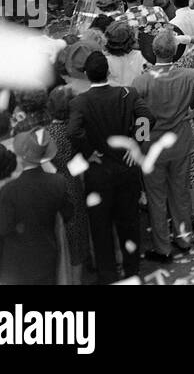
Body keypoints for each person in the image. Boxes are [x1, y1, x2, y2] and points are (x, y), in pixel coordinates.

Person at [131, 27, 194, 262]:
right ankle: (183, 238)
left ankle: (163, 247)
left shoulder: (142, 81)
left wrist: (141, 141)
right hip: (181, 142)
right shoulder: (188, 75)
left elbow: (137, 117)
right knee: (180, 194)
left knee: (156, 198)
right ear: (175, 51)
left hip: (152, 147)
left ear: (153, 51)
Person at [67, 50, 146, 283]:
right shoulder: (127, 94)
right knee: (129, 224)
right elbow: (147, 117)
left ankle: (108, 275)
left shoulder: (79, 102)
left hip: (99, 175)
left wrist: (88, 152)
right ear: (108, 71)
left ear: (86, 75)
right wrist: (137, 142)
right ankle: (132, 271)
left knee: (100, 229)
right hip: (126, 171)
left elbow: (73, 131)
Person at [0, 129, 76, 286]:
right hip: (47, 256)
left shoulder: (9, 189)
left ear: (21, 157)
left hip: (17, 263)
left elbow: (2, 229)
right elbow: (68, 213)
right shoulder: (58, 182)